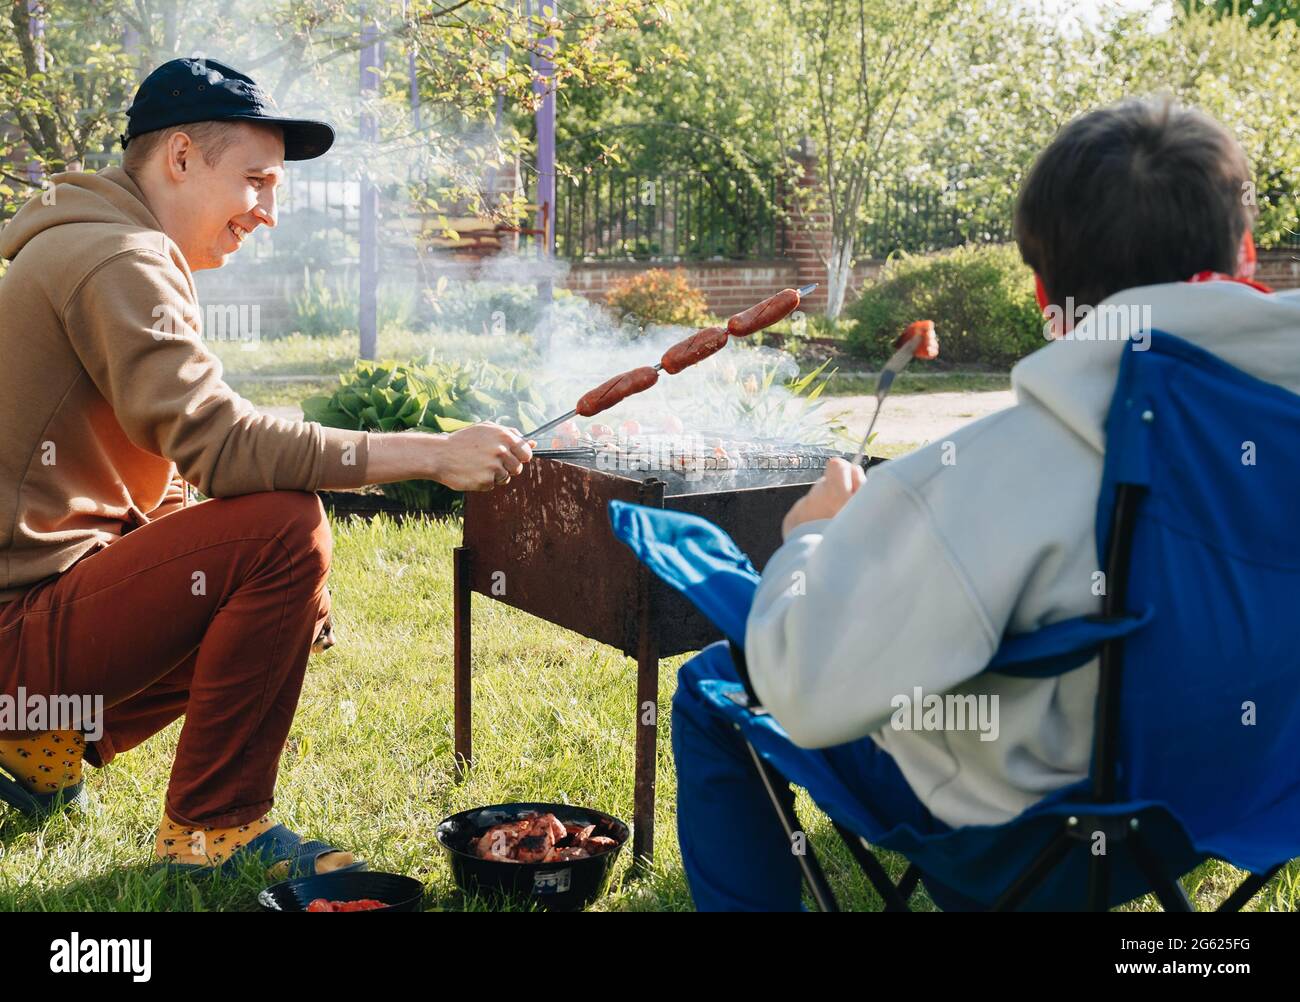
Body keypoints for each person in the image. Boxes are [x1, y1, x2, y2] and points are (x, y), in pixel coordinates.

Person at [671, 97, 1300, 910]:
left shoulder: (988, 478)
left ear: (1045, 293)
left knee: (716, 684)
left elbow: (806, 688)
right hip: (1247, 802)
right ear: (1246, 254)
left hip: (1034, 845)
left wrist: (811, 540)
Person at [0, 57, 532, 877]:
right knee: (284, 529)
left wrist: (280, 608)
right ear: (180, 158)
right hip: (14, 633)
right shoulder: (117, 259)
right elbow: (225, 445)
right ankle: (217, 832)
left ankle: (33, 735)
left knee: (269, 572)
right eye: (256, 181)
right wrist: (432, 452)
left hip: (27, 622)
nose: (269, 212)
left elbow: (175, 470)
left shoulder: (107, 242)